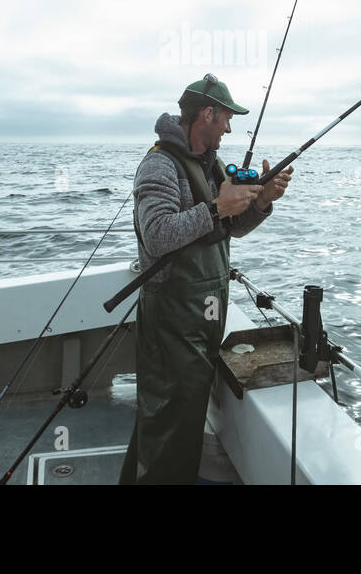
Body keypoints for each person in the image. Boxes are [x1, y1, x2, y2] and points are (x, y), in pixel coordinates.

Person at [118, 74, 293, 484]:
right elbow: (158, 235)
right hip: (171, 319)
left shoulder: (208, 165)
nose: (229, 129)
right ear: (207, 114)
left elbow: (227, 228)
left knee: (174, 421)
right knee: (169, 425)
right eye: (226, 119)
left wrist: (262, 201)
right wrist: (217, 206)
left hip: (203, 314)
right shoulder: (159, 165)